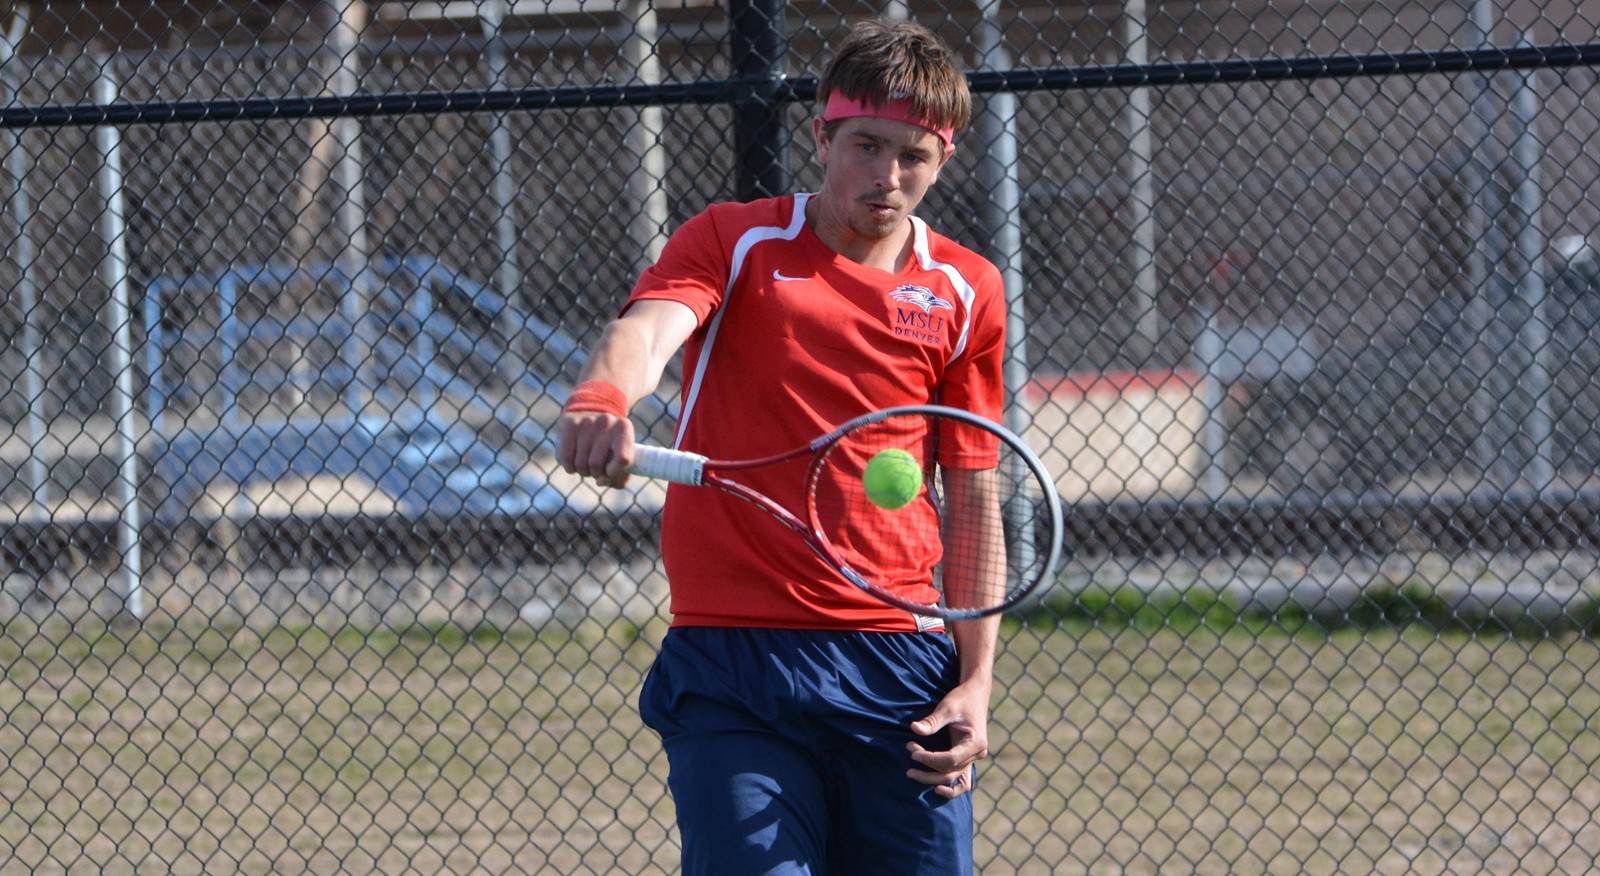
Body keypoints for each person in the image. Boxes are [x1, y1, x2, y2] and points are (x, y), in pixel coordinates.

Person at [557, 19, 1005, 875]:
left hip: (900, 665)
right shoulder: (734, 239)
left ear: (942, 160)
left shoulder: (967, 290)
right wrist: (601, 398)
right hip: (734, 663)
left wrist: (974, 681)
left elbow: (975, 497)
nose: (887, 176)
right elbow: (650, 332)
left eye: (913, 155)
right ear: (822, 137)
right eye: (866, 146)